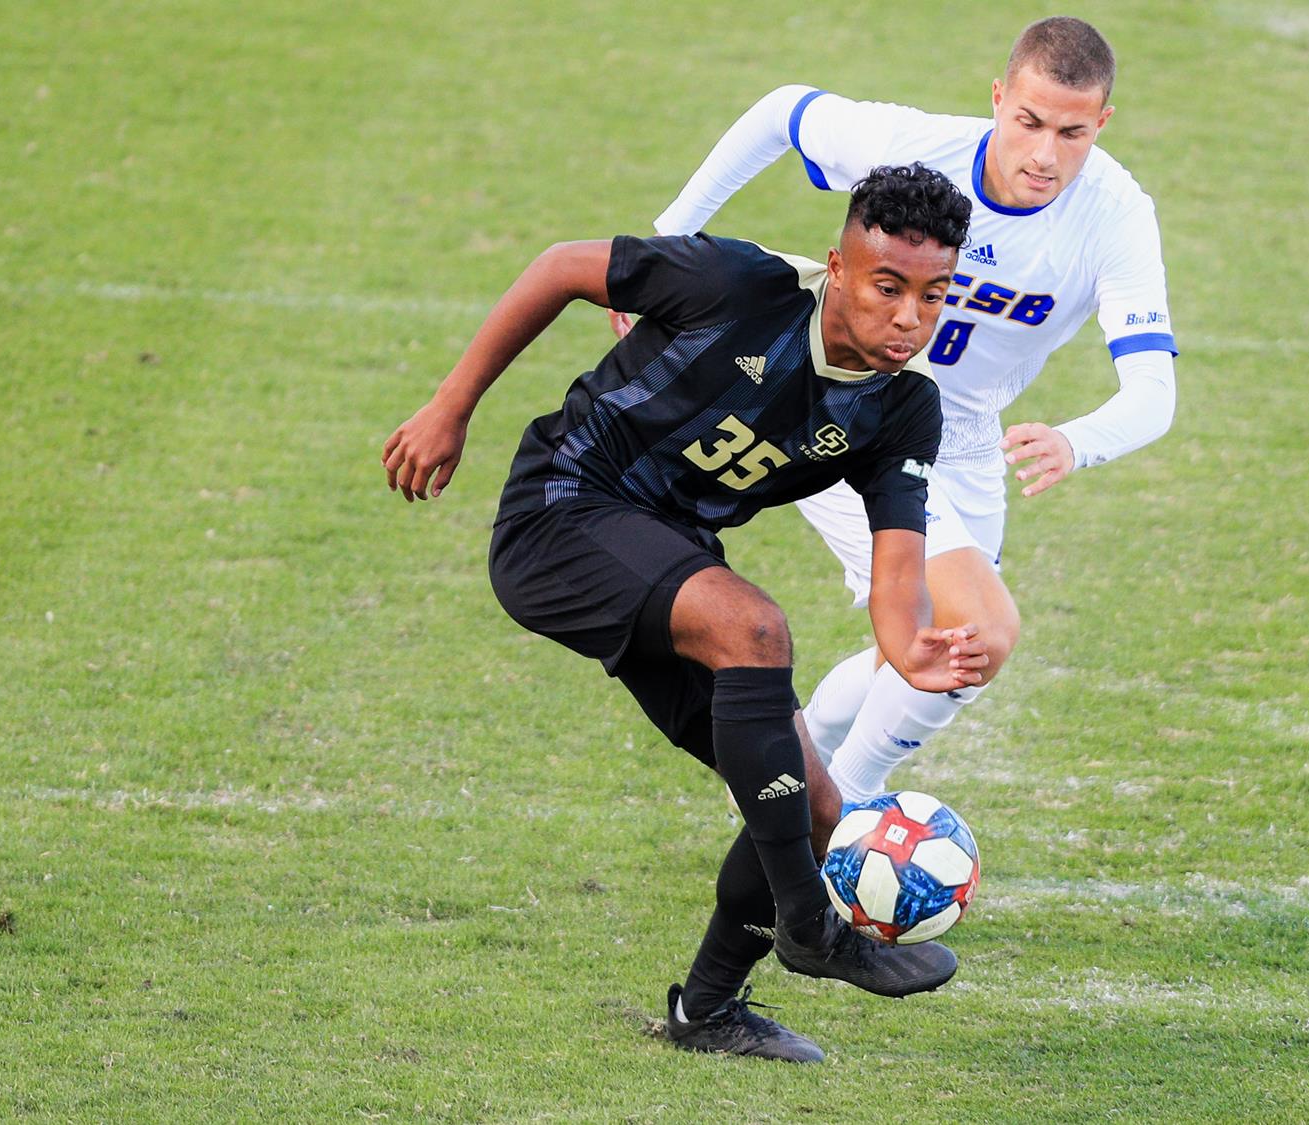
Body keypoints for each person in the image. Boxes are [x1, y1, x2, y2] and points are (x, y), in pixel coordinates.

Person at [382, 165, 988, 1062]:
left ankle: (707, 1010)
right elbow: (559, 267)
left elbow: (899, 576)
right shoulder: (739, 284)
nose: (909, 317)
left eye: (933, 296)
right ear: (839, 266)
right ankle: (810, 926)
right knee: (756, 629)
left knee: (808, 791)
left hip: (670, 552)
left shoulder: (904, 409)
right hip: (561, 508)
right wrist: (451, 405)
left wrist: (912, 649)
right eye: (887, 287)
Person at [633, 16, 1178, 803]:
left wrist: (1074, 440)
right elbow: (785, 111)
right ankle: (842, 816)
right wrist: (669, 235)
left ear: (1103, 123)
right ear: (998, 98)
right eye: (1027, 122)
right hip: (841, 410)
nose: (1043, 153)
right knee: (975, 636)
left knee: (927, 656)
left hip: (960, 443)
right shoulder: (921, 151)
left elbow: (1154, 393)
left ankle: (794, 772)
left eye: (1072, 132)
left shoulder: (1114, 215)